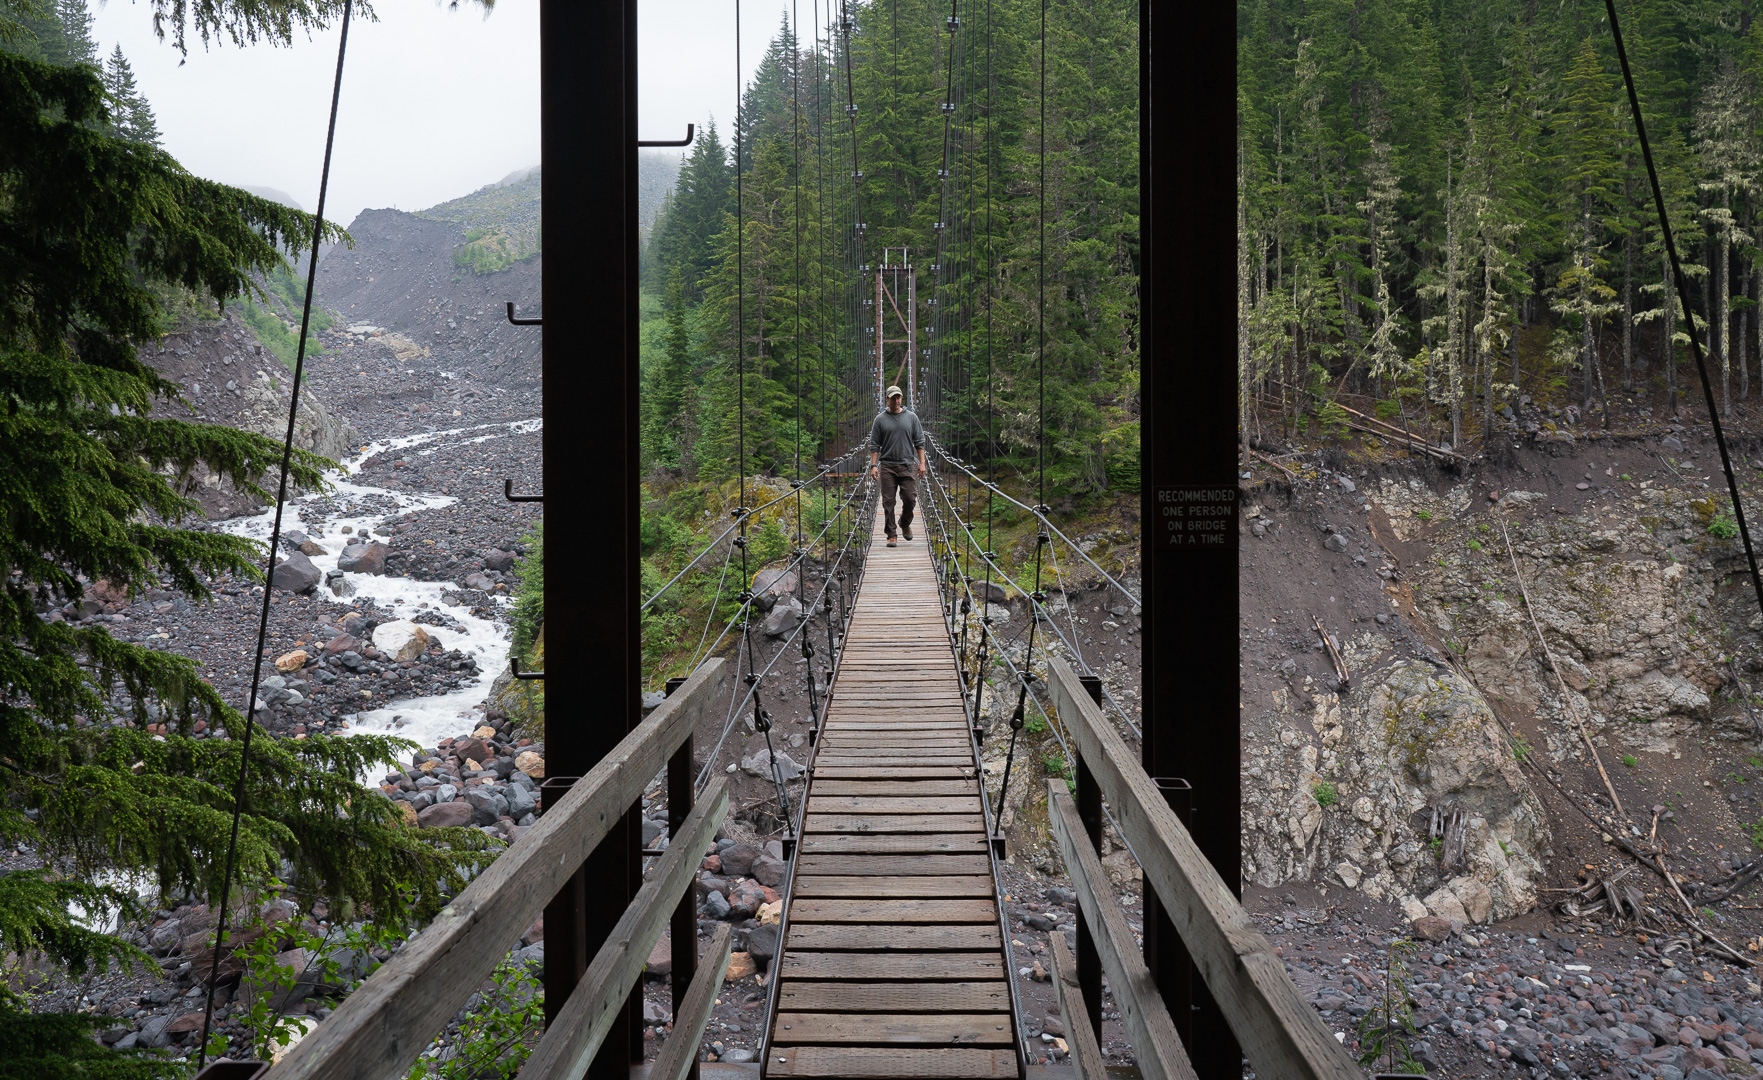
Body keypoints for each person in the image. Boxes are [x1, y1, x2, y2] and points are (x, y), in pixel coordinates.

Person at [868, 385, 926, 547]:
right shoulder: (880, 420)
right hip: (887, 466)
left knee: (910, 499)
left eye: (899, 397)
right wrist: (874, 465)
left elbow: (919, 442)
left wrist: (922, 463)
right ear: (887, 399)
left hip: (907, 465)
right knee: (888, 502)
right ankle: (891, 535)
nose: (897, 400)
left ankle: (904, 523)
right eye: (893, 397)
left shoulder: (912, 417)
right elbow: (874, 445)